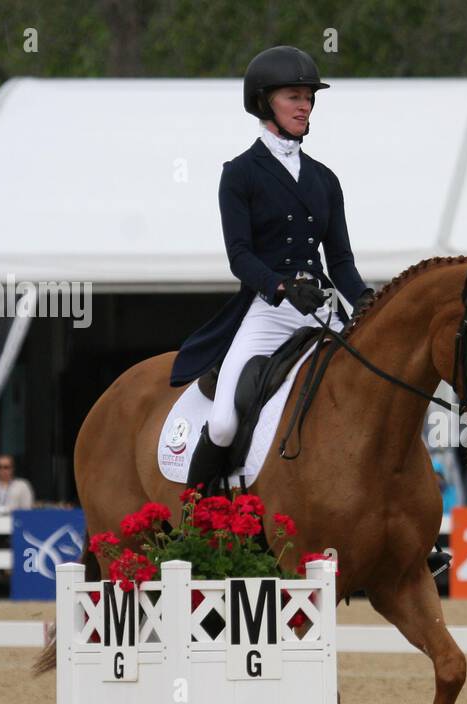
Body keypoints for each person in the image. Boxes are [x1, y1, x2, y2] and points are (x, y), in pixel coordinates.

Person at [170, 46, 376, 493]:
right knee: (223, 423)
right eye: (293, 96)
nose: (305, 105)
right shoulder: (240, 173)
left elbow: (339, 260)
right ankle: (200, 512)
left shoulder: (324, 178)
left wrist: (363, 298)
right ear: (265, 103)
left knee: (376, 393)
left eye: (309, 97)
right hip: (268, 311)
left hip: (322, 311)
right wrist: (281, 288)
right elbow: (240, 256)